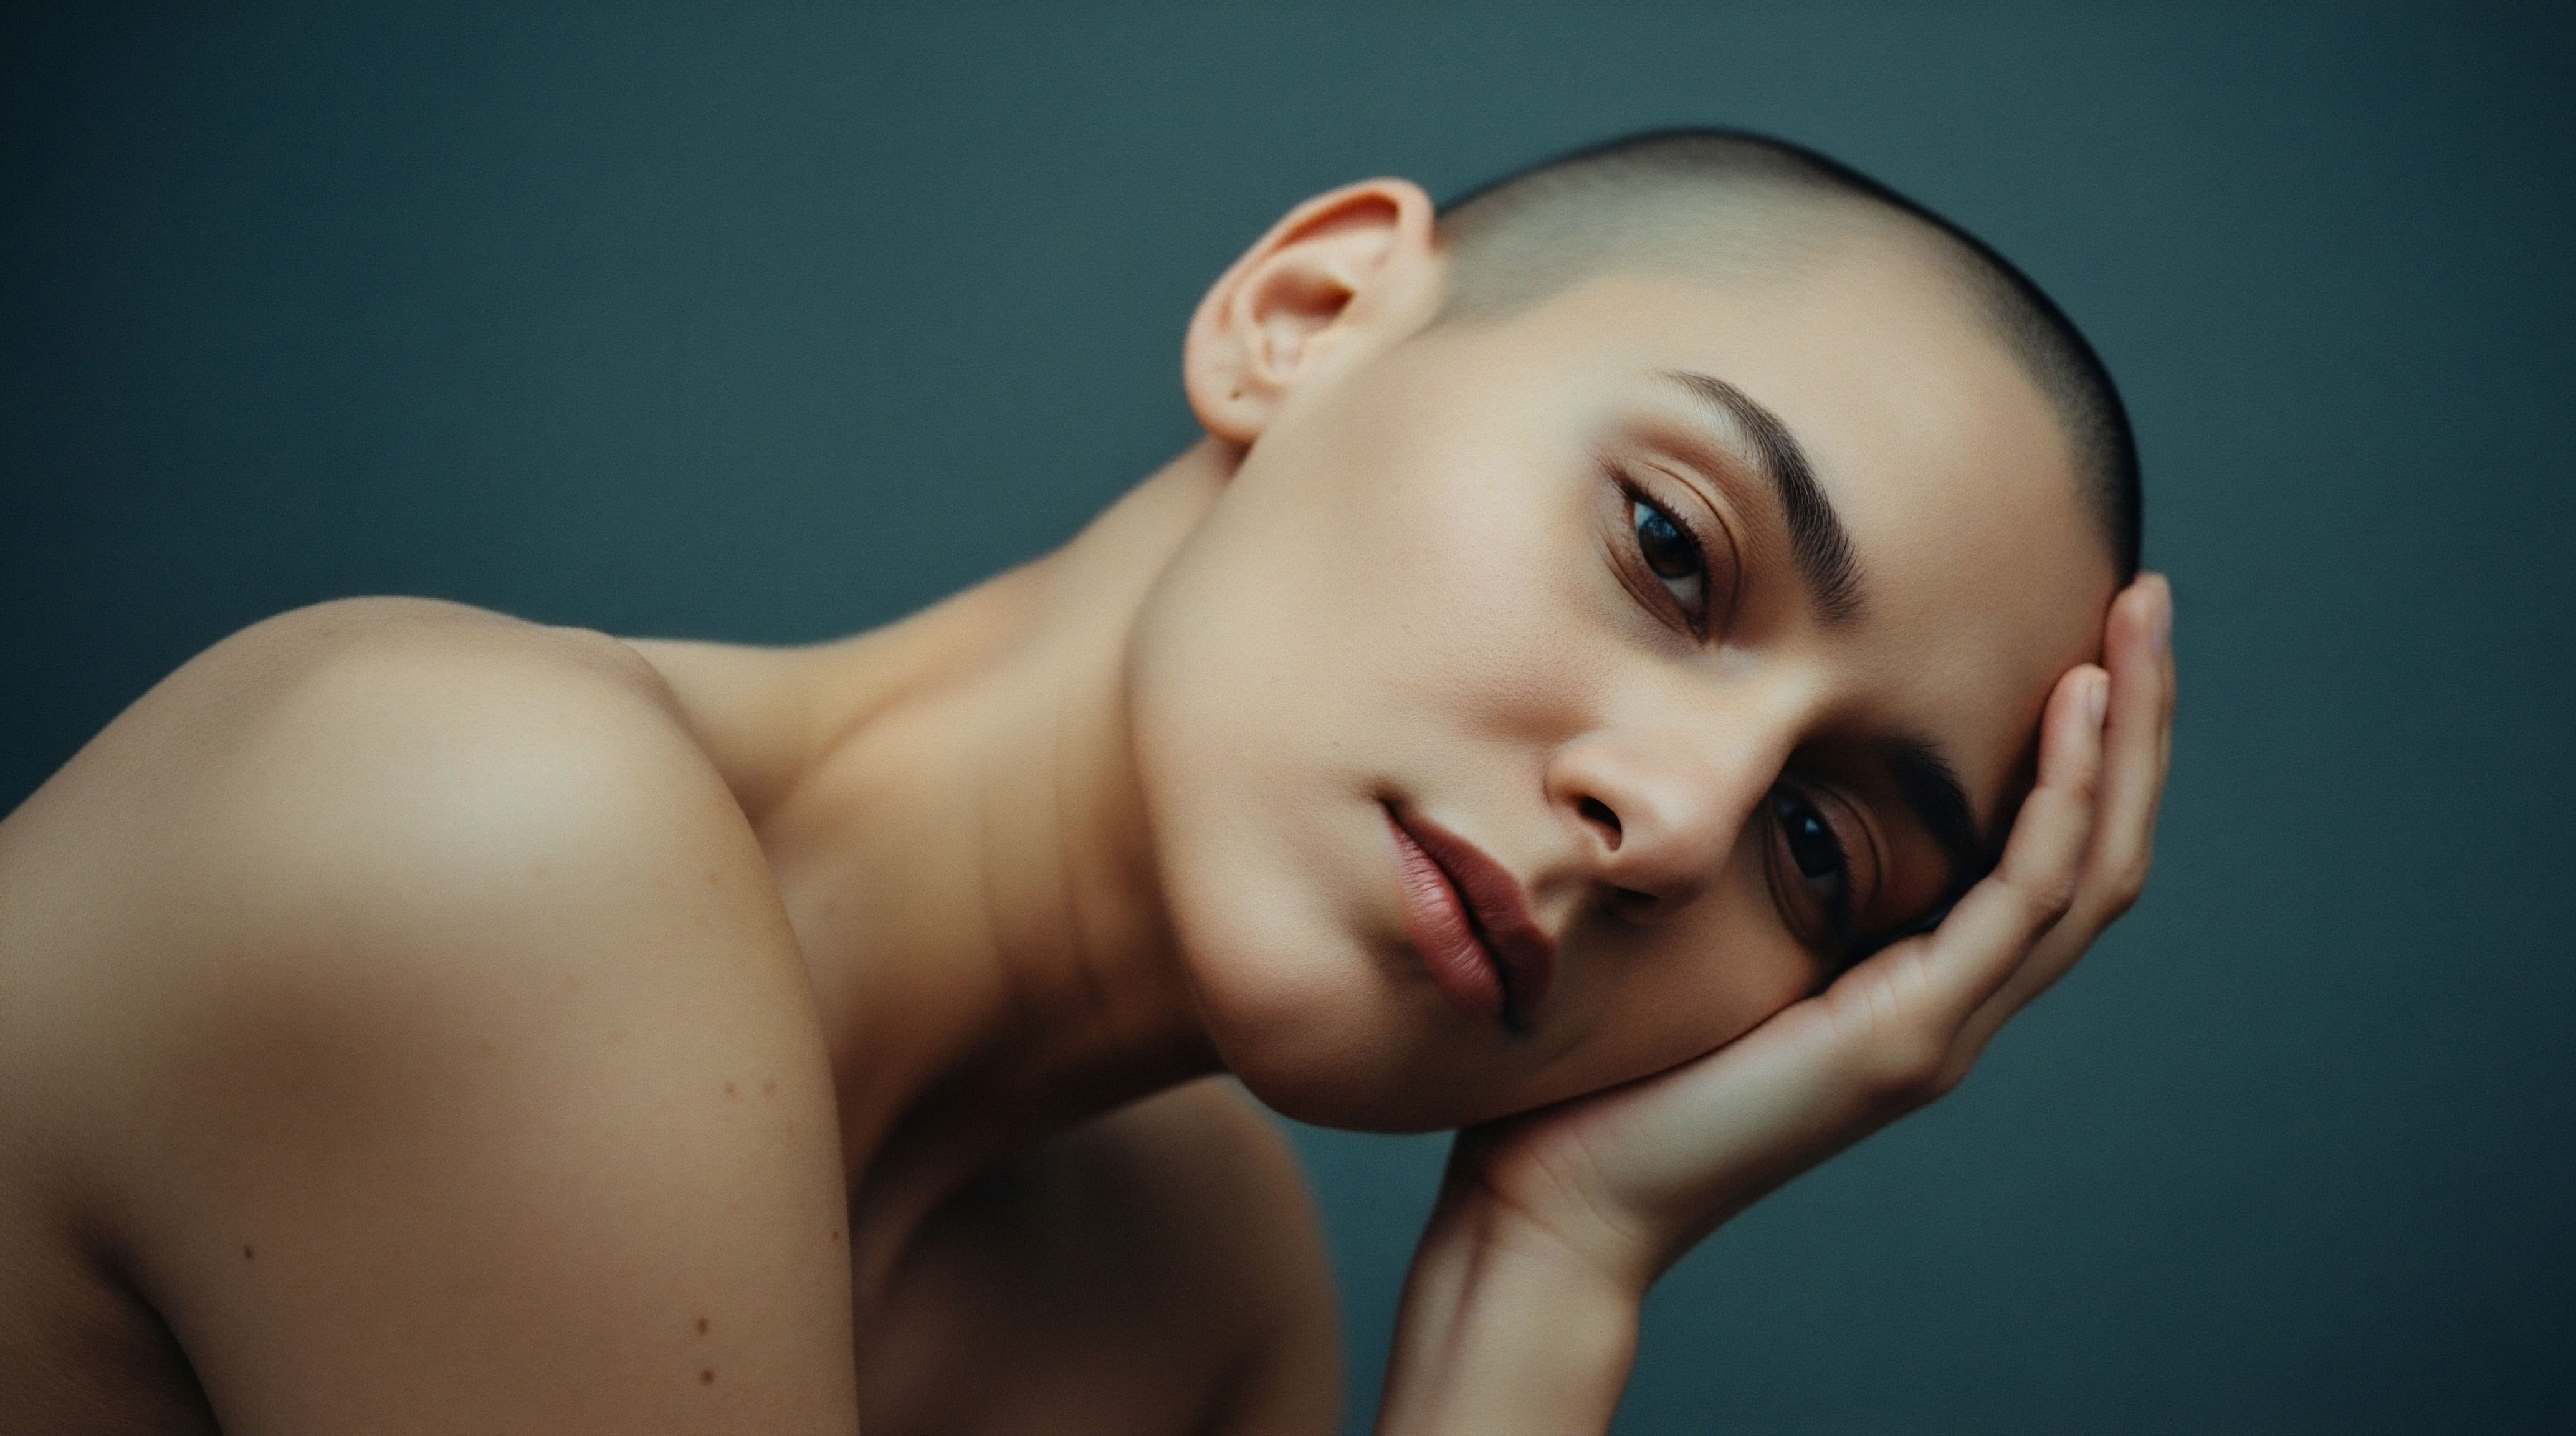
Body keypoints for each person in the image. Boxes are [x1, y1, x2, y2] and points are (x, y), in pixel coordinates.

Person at [0, 129, 2173, 1434]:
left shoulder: (1188, 1281)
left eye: (1824, 851)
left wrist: (1554, 1266)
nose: (1680, 821)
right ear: (1309, 315)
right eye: (1672, 550)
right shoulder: (472, 837)